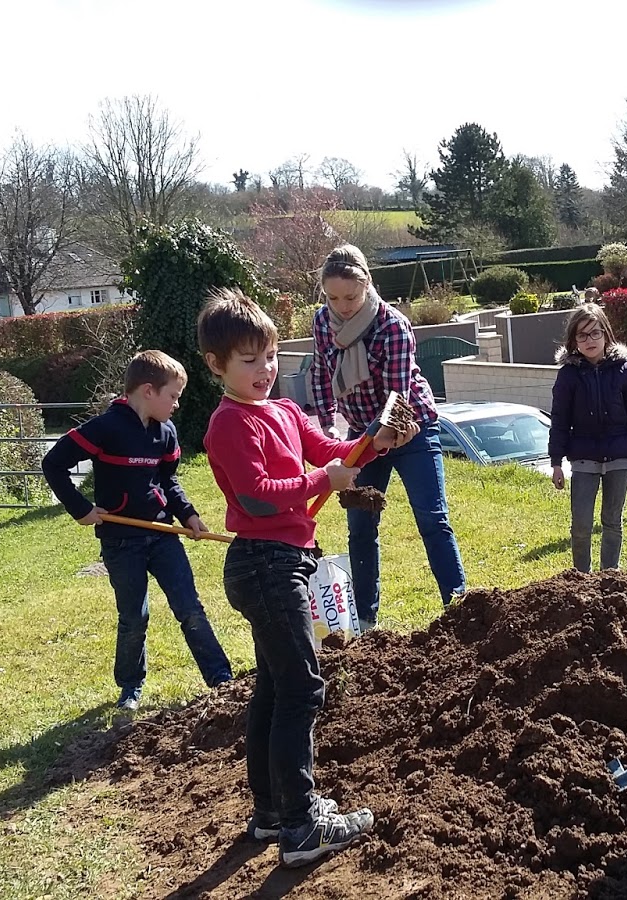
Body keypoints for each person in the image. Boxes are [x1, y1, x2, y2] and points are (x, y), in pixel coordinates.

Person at [198, 287, 416, 867]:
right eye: (249, 361)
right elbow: (261, 498)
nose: (265, 370)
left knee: (274, 687)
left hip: (285, 563)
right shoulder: (228, 425)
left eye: (269, 356)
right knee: (302, 689)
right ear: (216, 365)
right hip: (264, 564)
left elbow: (337, 452)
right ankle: (301, 827)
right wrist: (326, 480)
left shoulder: (286, 413)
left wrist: (379, 438)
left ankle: (272, 812)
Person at [41, 350, 233, 711]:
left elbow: (168, 481)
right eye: (173, 396)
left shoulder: (166, 433)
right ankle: (130, 687)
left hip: (163, 535)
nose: (176, 405)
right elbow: (53, 464)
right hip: (121, 541)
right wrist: (81, 509)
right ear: (148, 390)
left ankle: (220, 679)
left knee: (190, 608)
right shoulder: (106, 428)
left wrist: (188, 515)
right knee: (134, 616)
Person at [310, 244, 465, 626]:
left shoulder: (392, 325)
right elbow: (319, 374)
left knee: (432, 519)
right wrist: (329, 427)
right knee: (360, 527)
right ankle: (364, 621)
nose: (342, 306)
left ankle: (462, 610)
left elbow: (397, 396)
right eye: (333, 297)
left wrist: (380, 437)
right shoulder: (321, 322)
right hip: (362, 432)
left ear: (367, 286)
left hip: (410, 428)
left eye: (351, 297)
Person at [549, 302, 627, 572]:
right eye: (582, 335)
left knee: (612, 521)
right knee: (581, 525)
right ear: (573, 340)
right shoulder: (568, 376)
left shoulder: (624, 369)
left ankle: (610, 577)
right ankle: (581, 579)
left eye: (595, 333)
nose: (590, 340)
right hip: (583, 458)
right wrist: (556, 462)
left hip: (620, 456)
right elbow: (559, 421)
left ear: (606, 334)